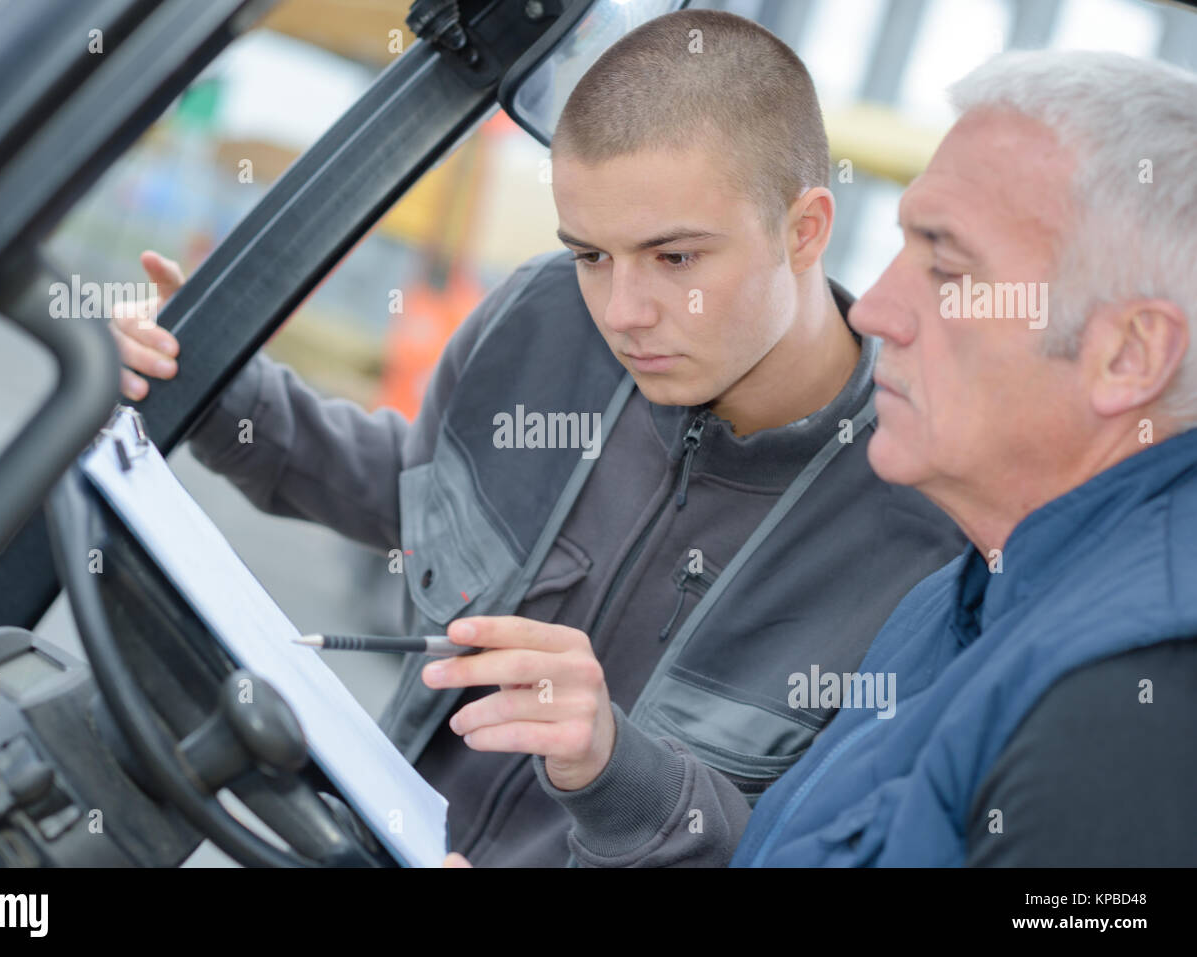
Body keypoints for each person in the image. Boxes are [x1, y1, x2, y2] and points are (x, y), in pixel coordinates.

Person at [111, 10, 964, 867]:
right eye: (592, 254)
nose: (622, 312)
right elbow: (417, 493)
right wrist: (211, 380)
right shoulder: (540, 316)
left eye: (674, 259)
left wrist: (618, 770)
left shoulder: (924, 534)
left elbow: (834, 852)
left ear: (804, 229)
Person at [442, 47, 1197, 868]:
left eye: (946, 270)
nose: (874, 309)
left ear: (1130, 354)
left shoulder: (1133, 714)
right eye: (903, 249)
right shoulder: (958, 599)